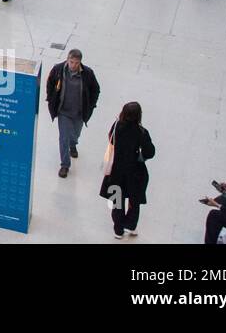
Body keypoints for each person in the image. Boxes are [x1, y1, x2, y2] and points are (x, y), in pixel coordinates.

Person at [99, 102, 155, 239]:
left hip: (116, 172)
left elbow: (111, 141)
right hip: (135, 174)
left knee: (117, 201)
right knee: (134, 202)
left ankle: (118, 230)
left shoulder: (117, 126)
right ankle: (131, 225)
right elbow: (150, 152)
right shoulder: (141, 132)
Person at [46, 49, 100, 178]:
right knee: (63, 137)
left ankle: (73, 144)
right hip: (63, 111)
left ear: (80, 62)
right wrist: (51, 98)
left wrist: (91, 104)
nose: (73, 65)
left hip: (79, 112)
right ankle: (65, 165)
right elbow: (50, 84)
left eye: (76, 63)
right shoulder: (58, 70)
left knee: (75, 134)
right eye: (71, 62)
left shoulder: (88, 73)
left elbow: (95, 89)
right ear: (67, 59)